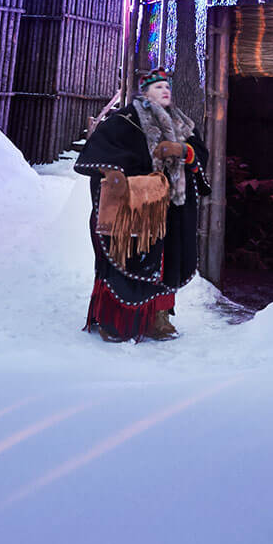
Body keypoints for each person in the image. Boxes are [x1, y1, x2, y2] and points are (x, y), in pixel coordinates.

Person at [75, 69, 206, 341]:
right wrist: (114, 173)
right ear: (144, 93)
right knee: (128, 261)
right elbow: (97, 151)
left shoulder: (181, 124)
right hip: (135, 207)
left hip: (171, 209)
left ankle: (158, 319)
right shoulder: (124, 120)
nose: (164, 91)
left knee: (167, 262)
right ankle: (115, 322)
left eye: (166, 87)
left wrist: (186, 152)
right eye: (157, 87)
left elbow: (200, 156)